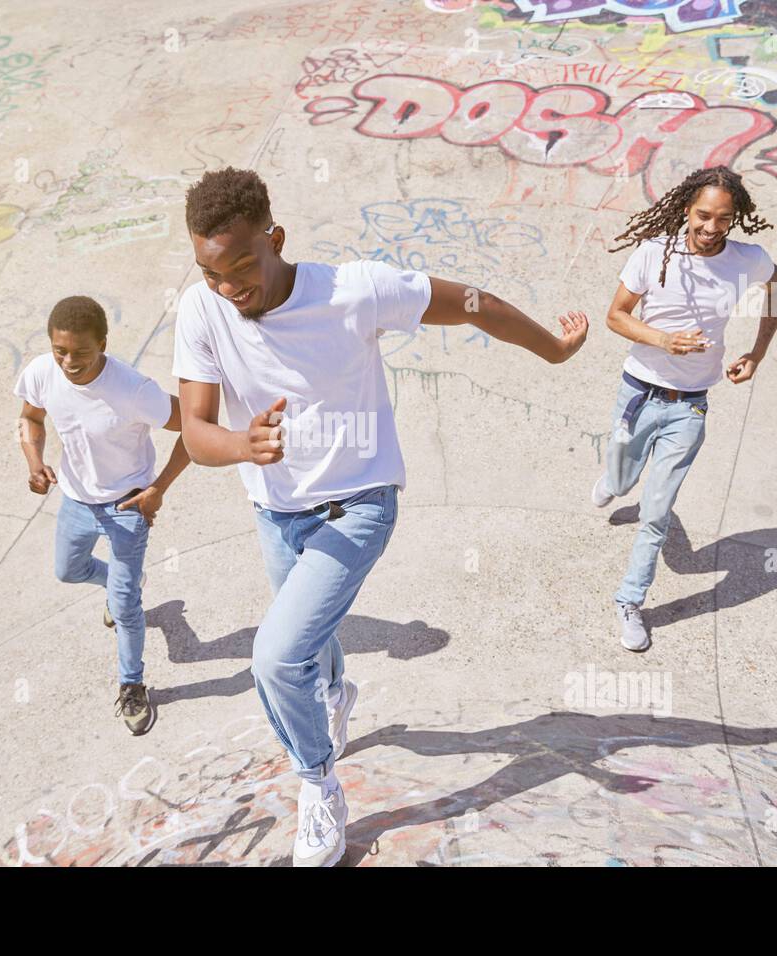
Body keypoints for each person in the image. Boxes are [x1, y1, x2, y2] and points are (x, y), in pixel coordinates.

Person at [171, 167, 588, 866]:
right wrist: (244, 444)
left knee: (275, 658)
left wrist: (552, 346)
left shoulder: (352, 291)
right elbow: (193, 430)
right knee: (310, 642)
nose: (228, 286)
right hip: (276, 511)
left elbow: (472, 303)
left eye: (242, 265)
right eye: (212, 272)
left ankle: (317, 784)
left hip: (359, 503)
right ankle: (336, 693)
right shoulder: (201, 309)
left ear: (275, 239)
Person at [594, 166, 777, 652]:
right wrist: (663, 340)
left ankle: (630, 601)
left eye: (723, 219)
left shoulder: (746, 259)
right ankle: (618, 482)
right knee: (618, 480)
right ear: (686, 210)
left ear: (734, 218)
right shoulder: (655, 254)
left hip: (692, 406)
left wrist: (756, 354)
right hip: (638, 391)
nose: (711, 227)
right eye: (703, 215)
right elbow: (615, 316)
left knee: (657, 511)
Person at [15, 295, 190, 735]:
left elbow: (196, 424)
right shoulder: (42, 371)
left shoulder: (133, 390)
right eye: (60, 352)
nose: (69, 362)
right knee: (67, 570)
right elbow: (30, 418)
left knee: (127, 606)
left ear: (104, 345)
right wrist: (33, 462)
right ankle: (118, 582)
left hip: (128, 504)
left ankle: (132, 685)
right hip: (76, 499)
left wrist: (158, 488)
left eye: (81, 352)